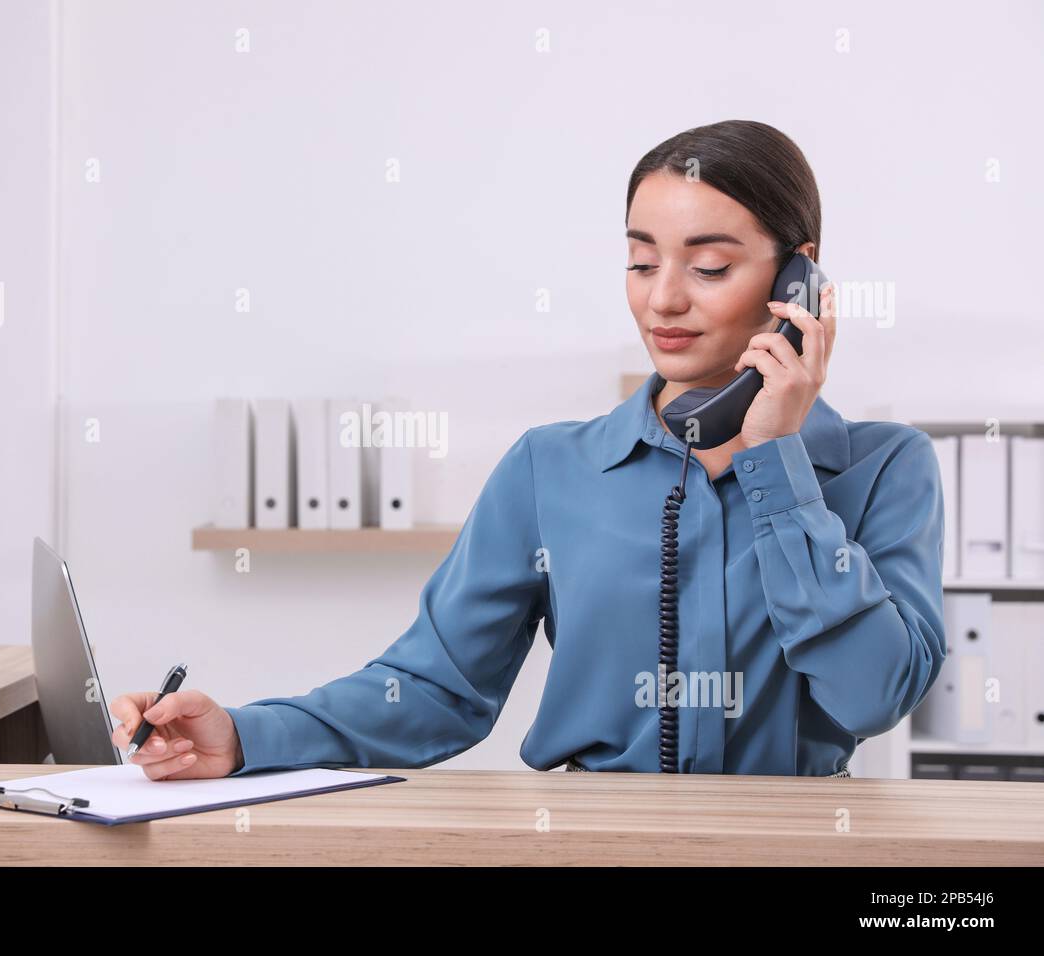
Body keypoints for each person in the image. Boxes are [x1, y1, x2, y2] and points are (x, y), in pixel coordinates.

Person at [110, 119, 946, 779]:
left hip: (793, 850)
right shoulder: (551, 469)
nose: (663, 299)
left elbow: (872, 694)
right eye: (640, 260)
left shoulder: (885, 468)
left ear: (797, 282)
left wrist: (774, 463)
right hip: (590, 848)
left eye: (711, 267)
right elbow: (436, 689)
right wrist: (242, 737)